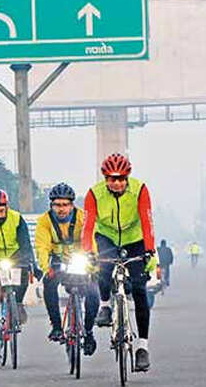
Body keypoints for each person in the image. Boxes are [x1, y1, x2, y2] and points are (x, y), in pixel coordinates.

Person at [82, 153, 158, 372]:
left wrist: (149, 250)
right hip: (106, 236)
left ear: (127, 177)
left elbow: (147, 220)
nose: (116, 183)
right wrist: (88, 252)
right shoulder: (93, 194)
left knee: (139, 288)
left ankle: (142, 348)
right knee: (103, 267)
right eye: (111, 179)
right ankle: (105, 306)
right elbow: (87, 227)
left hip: (135, 239)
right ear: (105, 178)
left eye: (121, 178)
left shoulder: (140, 189)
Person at [35, 182, 100, 356]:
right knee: (49, 283)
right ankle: (56, 326)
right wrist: (45, 267)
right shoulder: (44, 221)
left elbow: (90, 239)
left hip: (82, 260)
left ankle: (88, 332)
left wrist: (93, 258)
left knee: (94, 293)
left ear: (72, 205)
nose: (61, 209)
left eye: (65, 205)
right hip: (59, 262)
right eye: (57, 205)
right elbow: (41, 247)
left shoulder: (82, 218)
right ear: (51, 205)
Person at [0, 188, 39, 359]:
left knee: (25, 274)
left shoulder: (17, 219)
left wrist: (31, 264)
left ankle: (17, 303)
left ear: (7, 207)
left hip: (16, 257)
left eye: (0, 211)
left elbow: (26, 244)